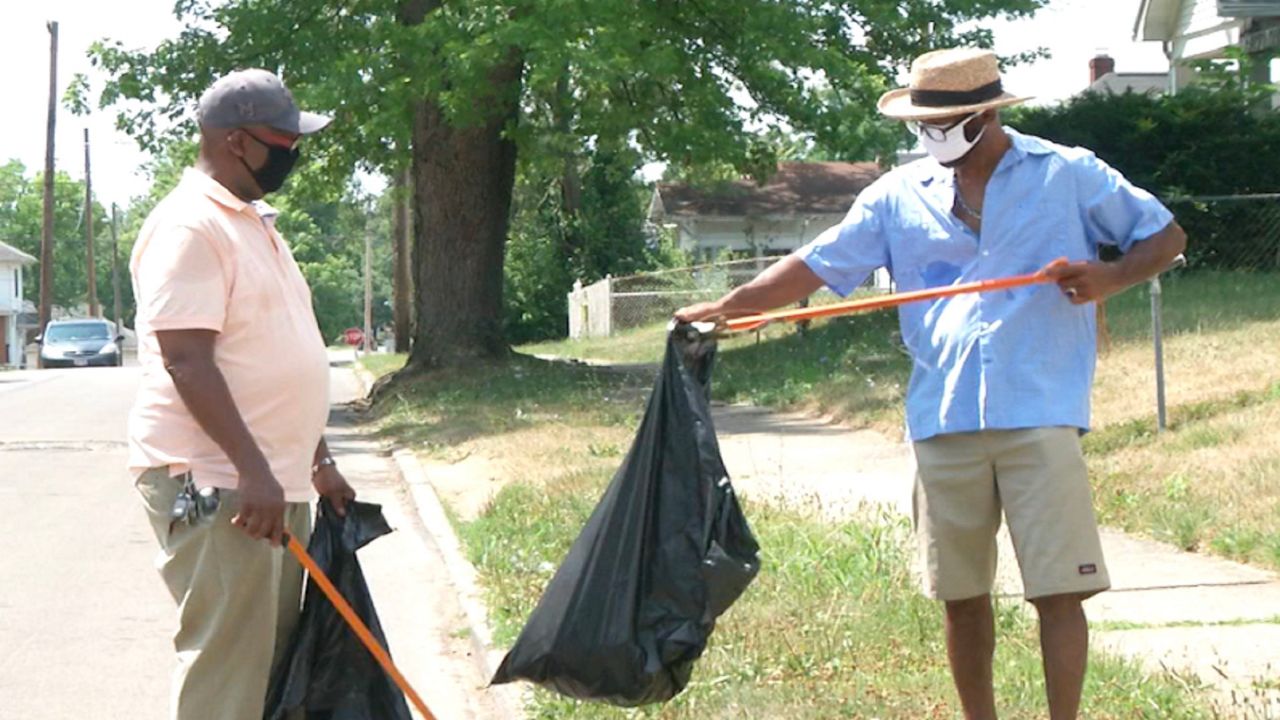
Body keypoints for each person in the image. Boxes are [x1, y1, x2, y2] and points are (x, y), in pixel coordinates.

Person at [676, 48, 1186, 720]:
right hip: (943, 419)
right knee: (961, 594)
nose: (931, 133)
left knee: (1060, 591)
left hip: (1040, 410)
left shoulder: (1067, 174)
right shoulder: (896, 196)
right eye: (922, 122)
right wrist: (732, 305)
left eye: (943, 120)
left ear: (985, 114)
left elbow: (1165, 236)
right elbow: (817, 264)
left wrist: (1110, 278)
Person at [127, 68, 356, 720]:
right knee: (230, 664)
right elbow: (187, 361)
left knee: (271, 663)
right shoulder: (190, 227)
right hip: (214, 483)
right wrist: (254, 472)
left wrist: (318, 460)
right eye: (283, 140)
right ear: (235, 141)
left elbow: (274, 354)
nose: (293, 152)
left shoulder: (253, 223)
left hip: (267, 483)